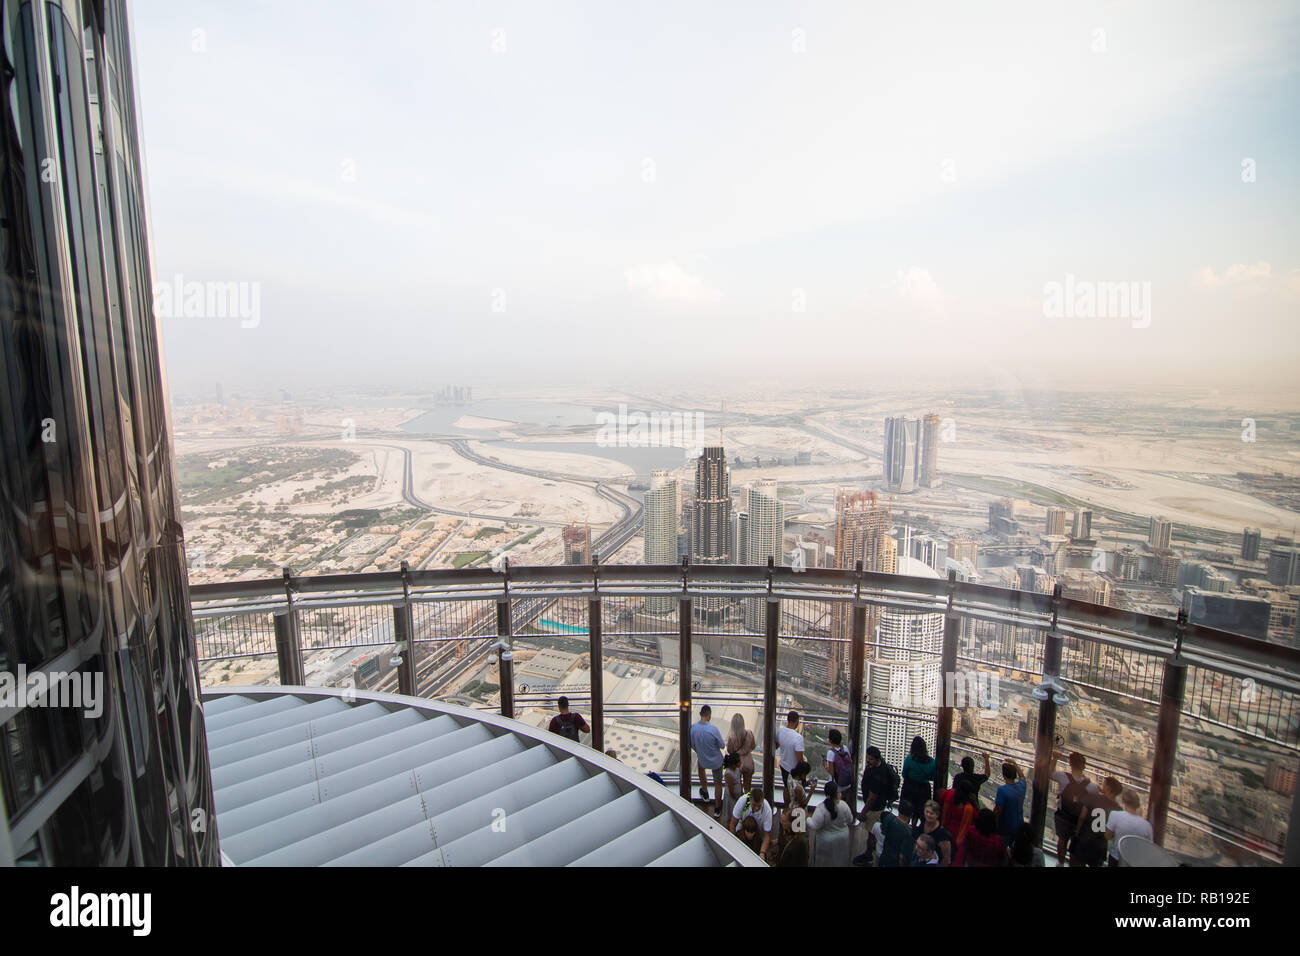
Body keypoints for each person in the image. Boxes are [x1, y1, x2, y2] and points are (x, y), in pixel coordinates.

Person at [1050, 750, 1099, 861]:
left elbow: (1050, 774)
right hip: (1079, 820)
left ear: (1070, 764)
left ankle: (1060, 862)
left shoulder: (1063, 777)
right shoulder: (1091, 787)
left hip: (1063, 815)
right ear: (1083, 766)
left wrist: (1055, 758)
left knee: (1062, 840)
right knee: (1075, 843)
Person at [1071, 776, 1122, 868]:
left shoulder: (1093, 798)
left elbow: (1082, 816)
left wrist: (1077, 831)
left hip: (1085, 838)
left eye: (1103, 785)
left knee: (1077, 862)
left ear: (1108, 788)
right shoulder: (1118, 809)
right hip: (1100, 845)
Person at [689, 704, 727, 815]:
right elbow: (721, 745)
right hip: (716, 761)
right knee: (718, 783)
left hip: (702, 758)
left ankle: (705, 792)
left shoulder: (693, 729)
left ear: (700, 714)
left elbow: (692, 744)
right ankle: (717, 808)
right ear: (709, 715)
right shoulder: (713, 729)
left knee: (701, 769)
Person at [854, 799, 915, 867]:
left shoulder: (889, 819)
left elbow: (883, 831)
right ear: (911, 815)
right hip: (895, 861)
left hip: (885, 855)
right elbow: (902, 856)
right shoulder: (908, 833)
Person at [807, 780, 852, 866]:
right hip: (842, 839)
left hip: (825, 841)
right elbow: (850, 820)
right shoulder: (844, 805)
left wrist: (807, 818)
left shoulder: (821, 808)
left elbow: (814, 826)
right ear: (837, 793)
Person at [1106, 789, 1154, 866]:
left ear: (1123, 801)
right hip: (1134, 862)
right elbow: (1148, 849)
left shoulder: (1115, 815)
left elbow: (1107, 836)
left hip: (1116, 858)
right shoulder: (1147, 826)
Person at [730, 784, 775, 862]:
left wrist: (762, 853)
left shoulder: (767, 810)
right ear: (750, 799)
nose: (756, 808)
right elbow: (733, 824)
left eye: (759, 806)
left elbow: (767, 835)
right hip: (742, 830)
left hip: (758, 835)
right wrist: (734, 844)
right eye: (754, 805)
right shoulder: (742, 801)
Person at [859, 745, 899, 832]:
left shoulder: (878, 776)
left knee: (871, 832)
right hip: (879, 805)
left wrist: (863, 812)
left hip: (874, 808)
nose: (868, 761)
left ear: (877, 759)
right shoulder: (879, 766)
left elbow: (872, 798)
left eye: (870, 759)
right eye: (867, 758)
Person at [901, 736, 937, 826]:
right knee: (918, 810)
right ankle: (914, 826)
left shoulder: (909, 759)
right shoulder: (932, 762)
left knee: (907, 808)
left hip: (909, 787)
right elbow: (933, 777)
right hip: (924, 789)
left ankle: (905, 825)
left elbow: (904, 774)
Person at [993, 759, 1027, 845]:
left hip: (1005, 826)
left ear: (1004, 775)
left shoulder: (1002, 790)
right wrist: (1015, 763)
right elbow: (1022, 777)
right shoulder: (1021, 787)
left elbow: (998, 810)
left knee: (1002, 849)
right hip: (1019, 825)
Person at [776, 710, 806, 804]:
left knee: (786, 787)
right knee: (795, 790)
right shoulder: (798, 738)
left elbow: (776, 745)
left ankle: (786, 807)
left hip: (783, 765)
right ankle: (794, 808)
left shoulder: (780, 730)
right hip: (793, 770)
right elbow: (799, 759)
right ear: (797, 721)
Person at [914, 799, 956, 866]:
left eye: (931, 813)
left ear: (937, 815)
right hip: (921, 858)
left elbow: (946, 858)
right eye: (927, 812)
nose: (928, 815)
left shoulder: (942, 834)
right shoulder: (923, 821)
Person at [938, 778, 978, 845]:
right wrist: (975, 803)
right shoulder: (969, 808)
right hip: (958, 837)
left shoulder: (949, 793)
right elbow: (977, 818)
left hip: (943, 829)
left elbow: (940, 799)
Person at [824, 729, 855, 813]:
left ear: (830, 740)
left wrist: (826, 767)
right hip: (847, 784)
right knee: (843, 805)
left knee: (835, 807)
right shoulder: (845, 748)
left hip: (837, 786)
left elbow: (832, 772)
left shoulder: (831, 753)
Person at [727, 712, 757, 791]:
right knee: (747, 787)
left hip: (737, 763)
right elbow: (753, 746)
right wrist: (746, 751)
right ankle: (747, 802)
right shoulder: (749, 733)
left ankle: (739, 801)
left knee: (737, 786)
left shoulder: (731, 736)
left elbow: (729, 750)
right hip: (748, 762)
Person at [782, 760, 813, 834]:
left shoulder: (790, 777)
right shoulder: (798, 788)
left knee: (792, 832)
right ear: (803, 774)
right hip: (798, 814)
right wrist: (811, 791)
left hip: (791, 807)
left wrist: (806, 783)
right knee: (799, 834)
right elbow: (803, 804)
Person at [720, 752, 744, 825]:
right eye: (739, 761)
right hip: (731, 797)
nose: (741, 762)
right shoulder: (729, 774)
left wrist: (741, 792)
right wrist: (736, 797)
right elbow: (731, 790)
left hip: (738, 794)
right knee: (731, 812)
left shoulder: (737, 770)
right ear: (734, 764)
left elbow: (740, 781)